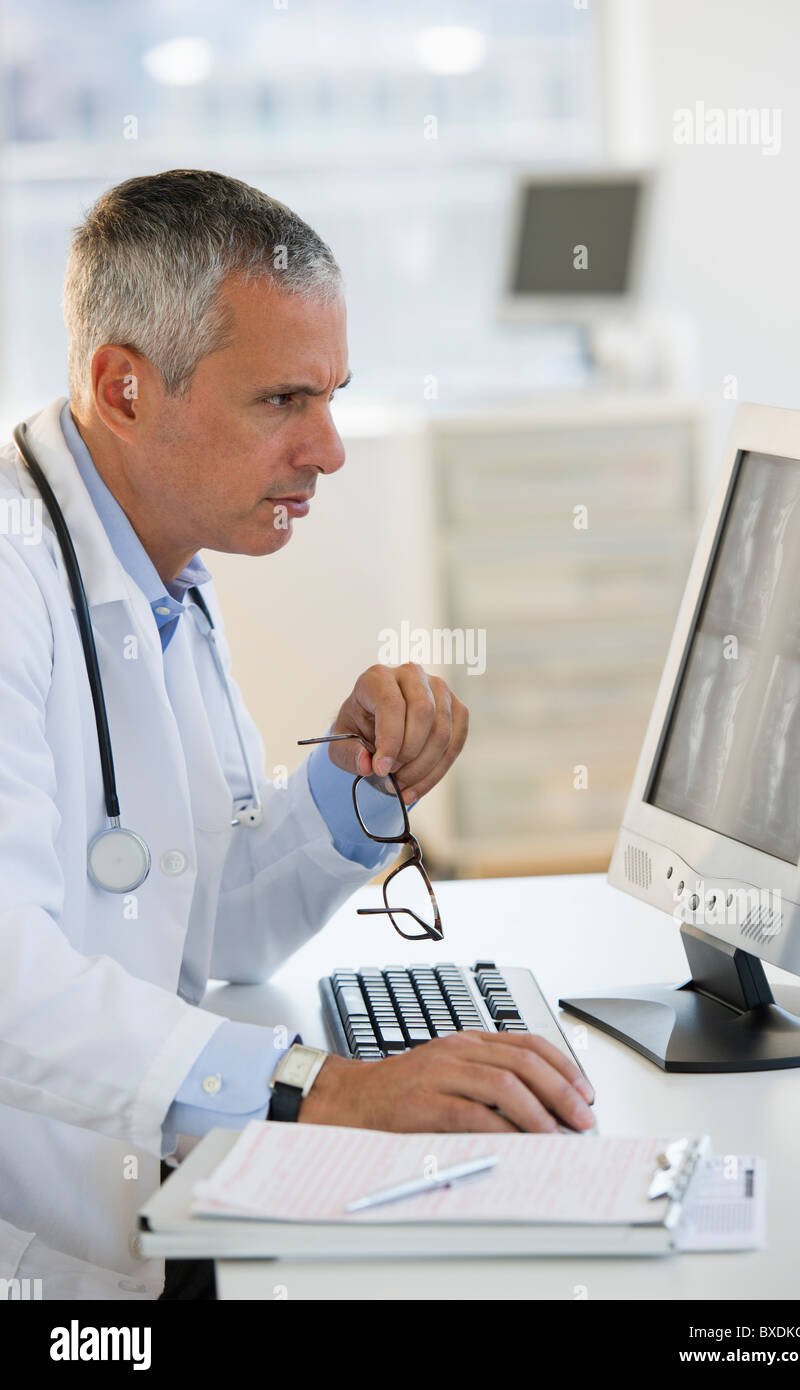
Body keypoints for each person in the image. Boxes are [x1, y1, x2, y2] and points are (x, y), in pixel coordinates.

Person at [0, 170, 595, 1302]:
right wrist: (316, 1086)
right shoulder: (12, 576)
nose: (328, 449)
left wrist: (350, 787)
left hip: (136, 1208)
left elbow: (212, 917)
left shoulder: (156, 574)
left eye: (332, 396)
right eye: (282, 401)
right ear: (122, 386)